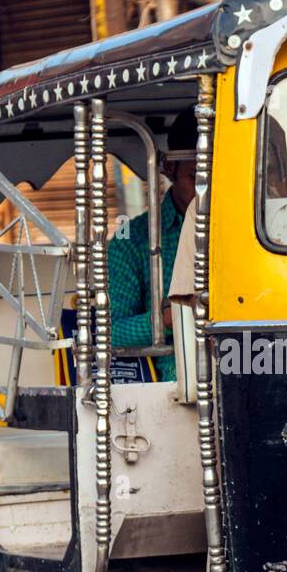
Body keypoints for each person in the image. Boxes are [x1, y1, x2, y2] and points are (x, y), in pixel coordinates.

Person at [107, 108, 197, 381]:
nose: (210, 188)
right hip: (172, 384)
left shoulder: (247, 228)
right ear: (170, 169)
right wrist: (169, 319)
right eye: (197, 178)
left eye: (219, 175)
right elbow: (110, 332)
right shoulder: (131, 241)